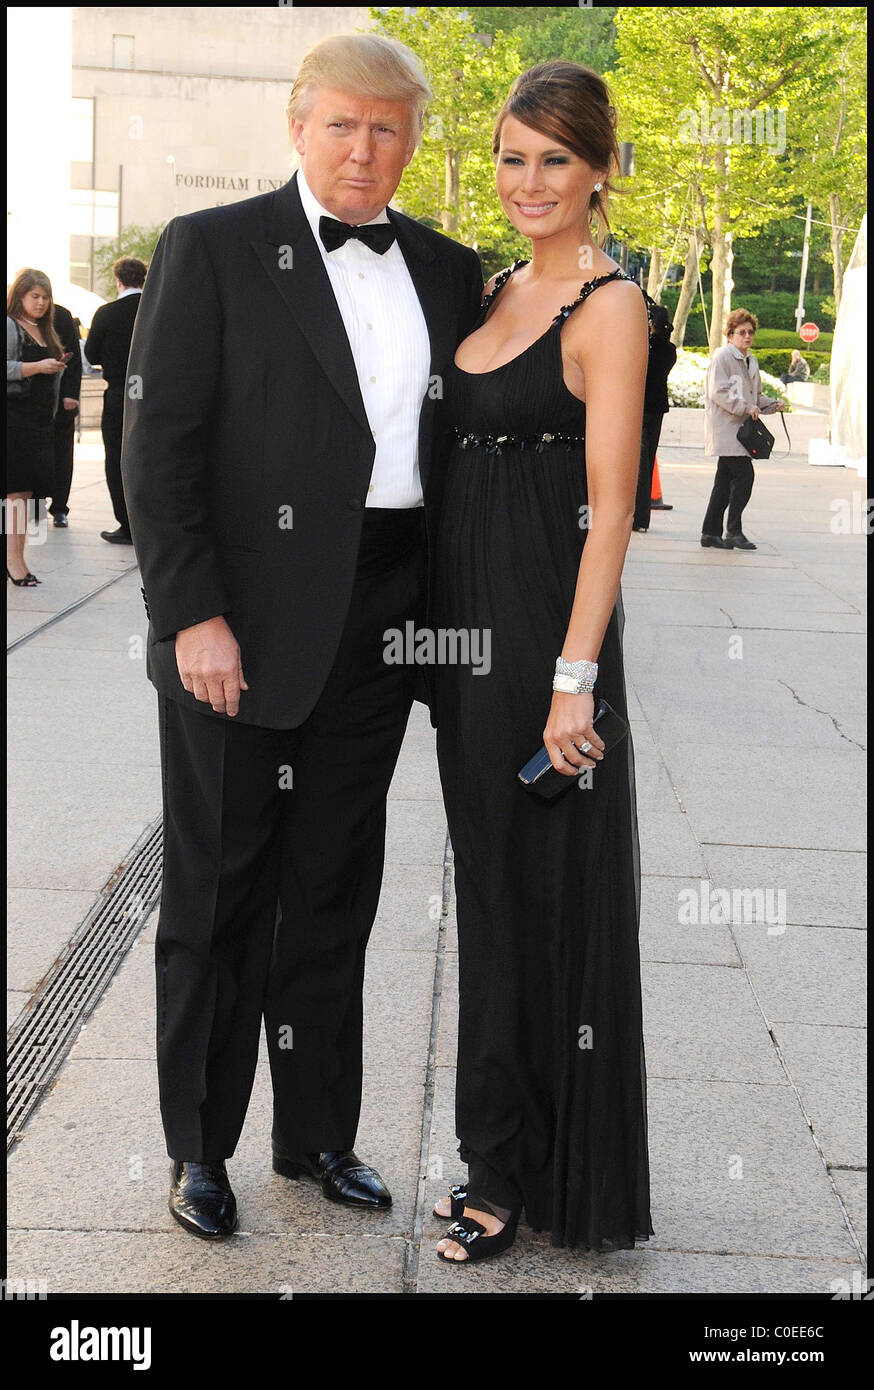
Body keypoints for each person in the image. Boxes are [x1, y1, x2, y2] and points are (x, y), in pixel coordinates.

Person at [121, 33, 482, 1241]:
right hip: (242, 619)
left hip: (382, 620)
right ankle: (199, 1150)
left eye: (388, 130)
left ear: (414, 142)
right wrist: (191, 615)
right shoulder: (213, 248)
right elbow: (158, 449)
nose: (365, 150)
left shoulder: (444, 266)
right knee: (218, 896)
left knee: (335, 888)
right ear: (296, 124)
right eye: (343, 124)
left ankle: (317, 1130)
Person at [431, 60, 653, 1264]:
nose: (528, 181)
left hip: (540, 638)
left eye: (554, 160)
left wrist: (573, 679)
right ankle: (511, 1151)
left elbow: (611, 505)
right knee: (491, 899)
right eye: (512, 156)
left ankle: (508, 1175)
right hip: (462, 635)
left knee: (532, 905)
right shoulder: (495, 285)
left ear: (600, 170)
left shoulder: (610, 306)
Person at [701, 308, 787, 551]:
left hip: (742, 432)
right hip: (727, 431)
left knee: (723, 483)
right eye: (741, 332)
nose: (747, 336)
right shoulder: (722, 357)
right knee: (744, 477)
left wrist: (772, 405)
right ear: (730, 335)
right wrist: (744, 407)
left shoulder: (751, 360)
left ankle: (710, 532)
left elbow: (754, 396)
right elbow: (718, 392)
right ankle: (733, 531)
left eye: (750, 332)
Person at [6, 269, 67, 585]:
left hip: (39, 421)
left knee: (25, 494)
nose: (41, 303)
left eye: (45, 297)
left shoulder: (45, 329)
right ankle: (14, 563)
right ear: (20, 296)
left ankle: (18, 559)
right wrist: (37, 367)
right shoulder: (10, 326)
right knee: (15, 495)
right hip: (14, 419)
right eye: (35, 296)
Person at [84, 257, 147, 544]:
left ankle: (126, 523)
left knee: (117, 459)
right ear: (144, 279)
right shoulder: (155, 309)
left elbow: (93, 354)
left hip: (119, 393)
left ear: (118, 280)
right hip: (154, 395)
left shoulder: (106, 313)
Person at [633, 302, 677, 532]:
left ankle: (637, 516)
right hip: (658, 406)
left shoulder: (644, 346)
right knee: (647, 461)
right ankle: (642, 518)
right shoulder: (670, 350)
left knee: (638, 462)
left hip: (640, 407)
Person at [47, 305, 82, 527]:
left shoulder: (60, 315)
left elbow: (74, 358)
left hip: (59, 402)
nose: (40, 302)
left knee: (62, 455)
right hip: (25, 403)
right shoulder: (13, 319)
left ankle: (60, 508)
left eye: (43, 296)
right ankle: (33, 508)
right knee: (27, 461)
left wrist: (71, 394)